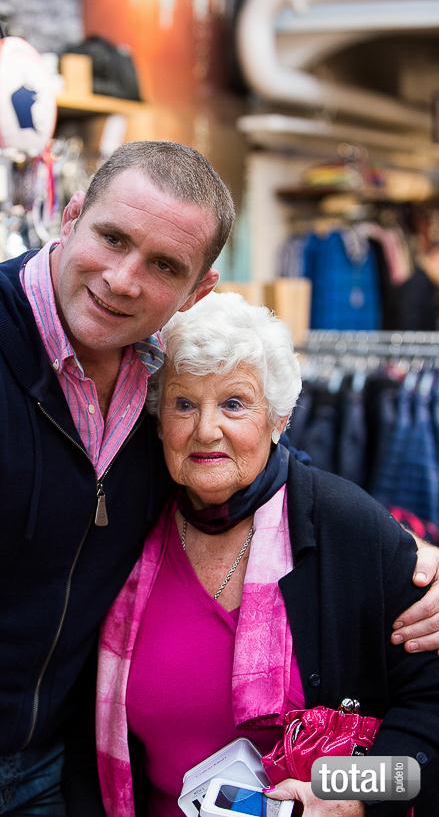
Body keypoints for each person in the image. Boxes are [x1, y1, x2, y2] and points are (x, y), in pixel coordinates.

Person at [0, 140, 437, 817]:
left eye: (234, 405)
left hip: (45, 775)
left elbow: (422, 744)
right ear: (70, 215)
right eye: (111, 237)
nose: (122, 279)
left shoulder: (336, 533)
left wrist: (349, 792)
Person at [96, 291, 439, 817]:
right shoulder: (126, 529)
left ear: (278, 419)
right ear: (159, 420)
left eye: (234, 404)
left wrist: (354, 795)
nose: (206, 429)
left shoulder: (344, 526)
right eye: (184, 404)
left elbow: (430, 715)